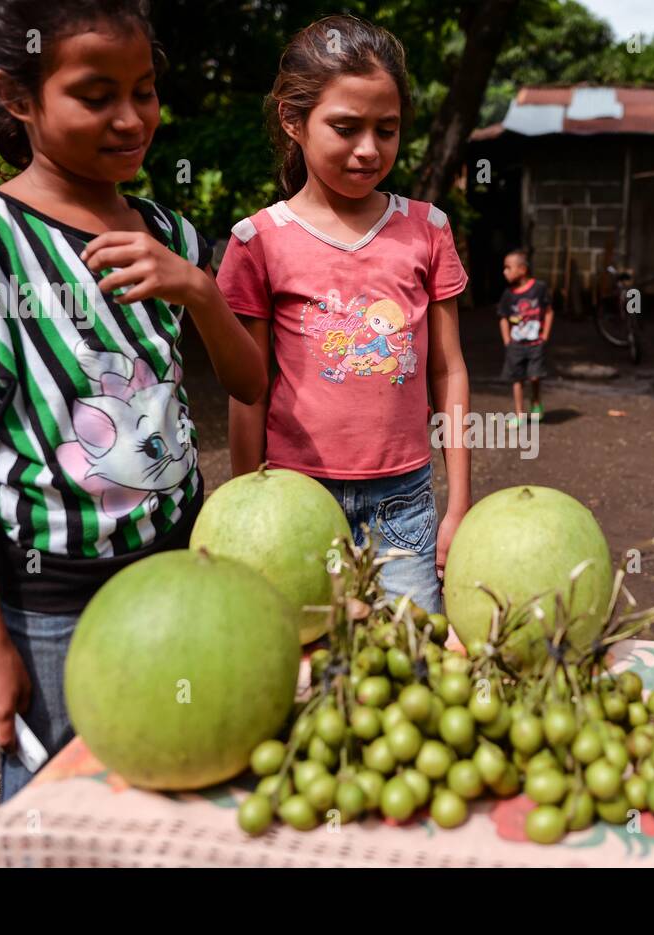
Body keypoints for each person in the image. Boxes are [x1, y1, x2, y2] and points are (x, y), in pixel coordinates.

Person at [0, 0, 266, 801]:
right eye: (96, 95)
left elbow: (250, 383)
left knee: (182, 783)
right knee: (59, 812)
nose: (132, 117)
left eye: (144, 89)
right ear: (18, 96)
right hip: (52, 605)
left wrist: (200, 289)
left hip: (177, 573)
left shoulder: (166, 229)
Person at [217, 14, 472, 616]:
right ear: (292, 120)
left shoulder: (427, 230)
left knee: (409, 664)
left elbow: (449, 370)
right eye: (345, 127)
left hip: (405, 503)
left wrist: (458, 503)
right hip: (295, 502)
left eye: (387, 129)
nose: (368, 149)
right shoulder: (258, 241)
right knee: (302, 662)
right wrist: (245, 508)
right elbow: (248, 391)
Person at [497, 249, 553, 423]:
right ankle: (519, 414)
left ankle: (536, 402)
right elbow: (503, 318)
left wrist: (545, 335)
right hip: (516, 345)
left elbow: (549, 312)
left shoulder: (539, 289)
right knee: (517, 379)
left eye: (508, 268)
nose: (504, 272)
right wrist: (507, 341)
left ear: (522, 269)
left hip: (536, 343)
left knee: (535, 376)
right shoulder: (508, 295)